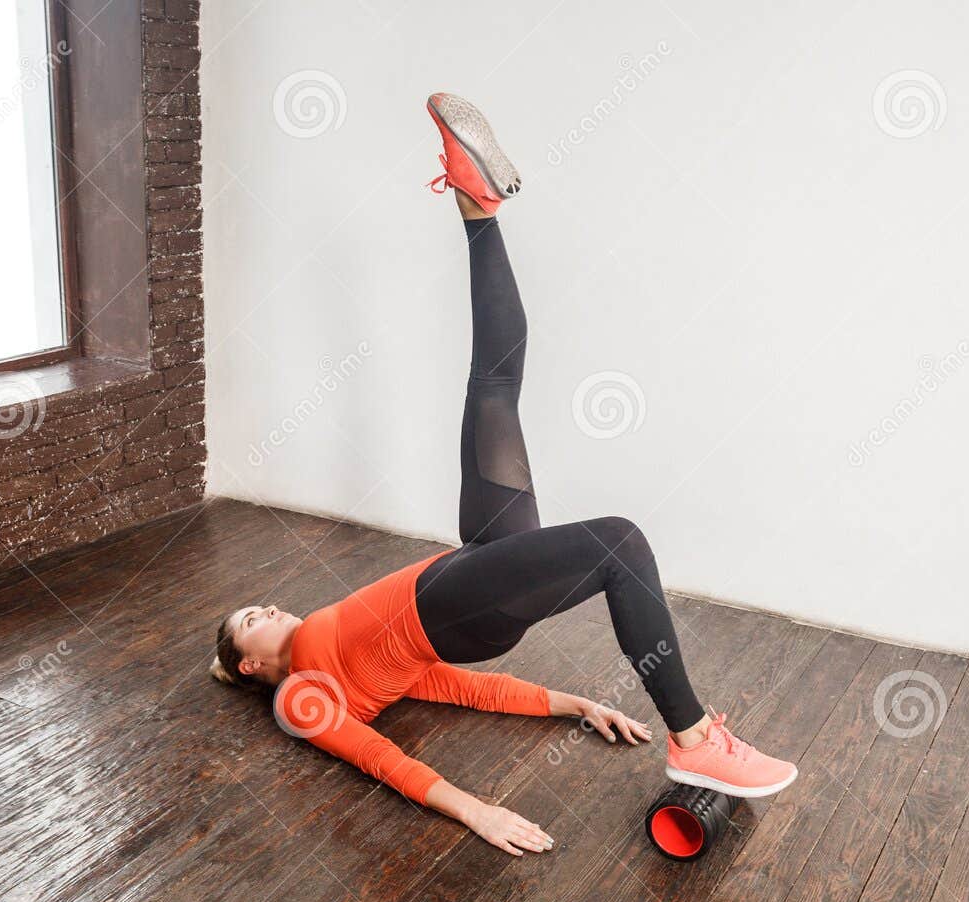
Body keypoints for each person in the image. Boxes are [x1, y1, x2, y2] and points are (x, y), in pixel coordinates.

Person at [210, 94, 798, 857]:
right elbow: (377, 756)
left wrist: (570, 703)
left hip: (466, 577)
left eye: (257, 602)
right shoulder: (300, 696)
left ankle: (476, 202)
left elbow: (451, 685)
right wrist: (474, 810)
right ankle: (692, 734)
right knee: (618, 542)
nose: (267, 605)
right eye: (250, 618)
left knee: (492, 384)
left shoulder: (345, 657)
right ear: (251, 663)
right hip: (454, 608)